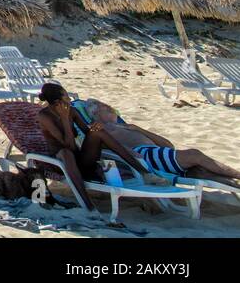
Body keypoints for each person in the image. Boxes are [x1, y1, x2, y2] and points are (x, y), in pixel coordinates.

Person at [36, 82, 147, 211]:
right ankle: (87, 204)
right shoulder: (44, 116)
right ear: (57, 102)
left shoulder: (71, 110)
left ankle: (142, 170)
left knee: (97, 133)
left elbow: (86, 131)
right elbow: (68, 146)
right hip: (62, 163)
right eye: (66, 98)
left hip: (80, 161)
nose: (70, 100)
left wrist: (95, 127)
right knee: (66, 153)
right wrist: (65, 120)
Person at [85, 100, 240, 185]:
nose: (111, 108)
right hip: (144, 155)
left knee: (199, 170)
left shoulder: (126, 126)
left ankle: (234, 183)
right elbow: (100, 146)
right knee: (194, 154)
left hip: (156, 154)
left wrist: (139, 129)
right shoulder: (102, 128)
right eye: (105, 106)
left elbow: (168, 145)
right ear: (96, 113)